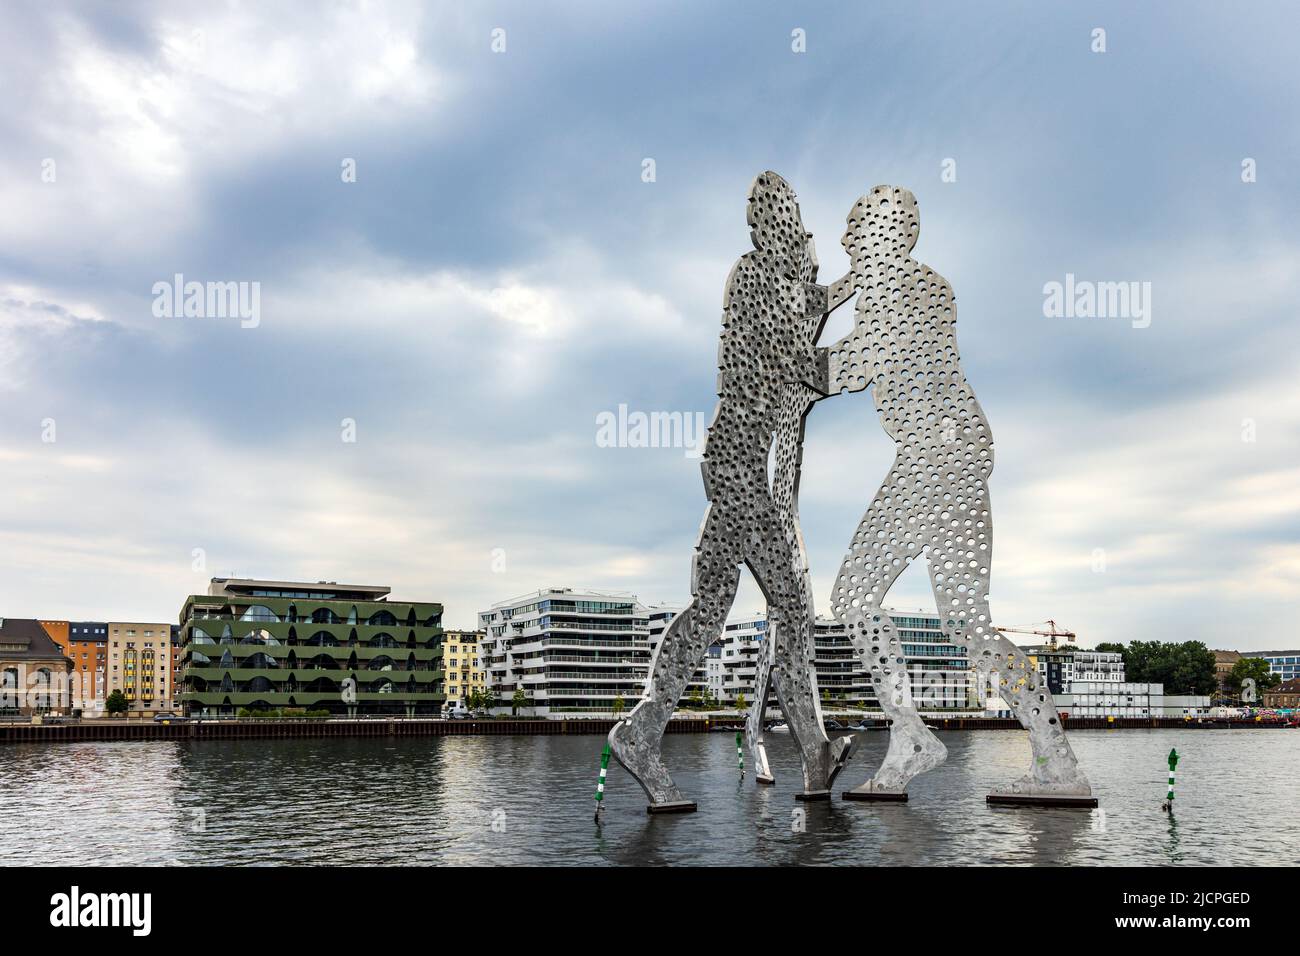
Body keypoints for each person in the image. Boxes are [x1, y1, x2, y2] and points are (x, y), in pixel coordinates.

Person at [825, 185, 1091, 799]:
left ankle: (912, 734)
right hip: (951, 453)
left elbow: (853, 366)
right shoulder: (901, 288)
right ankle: (1055, 760)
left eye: (854, 228)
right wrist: (833, 294)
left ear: (888, 233)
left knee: (855, 597)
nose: (843, 241)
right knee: (965, 623)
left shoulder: (909, 290)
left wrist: (781, 361)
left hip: (937, 459)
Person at [607, 172, 854, 811]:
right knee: (793, 608)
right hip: (739, 466)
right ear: (770, 228)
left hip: (736, 463)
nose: (801, 232)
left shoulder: (780, 285)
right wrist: (867, 353)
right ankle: (816, 751)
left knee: (712, 605)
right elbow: (806, 364)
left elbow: (812, 305)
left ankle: (642, 734)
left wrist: (860, 280)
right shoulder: (754, 281)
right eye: (790, 220)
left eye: (799, 219)